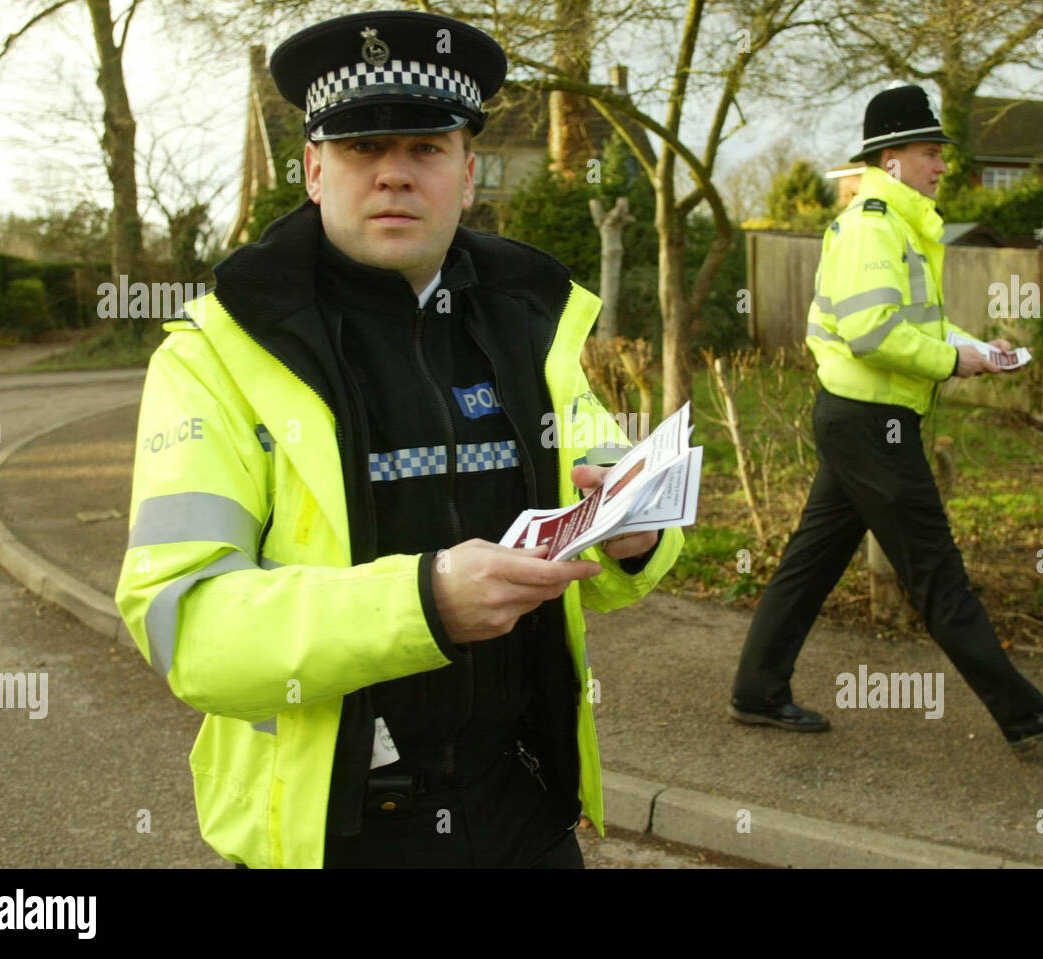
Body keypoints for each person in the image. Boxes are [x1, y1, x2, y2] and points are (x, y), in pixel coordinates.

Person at [114, 9, 682, 868]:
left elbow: (607, 540)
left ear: (469, 168)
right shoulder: (218, 353)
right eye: (360, 149)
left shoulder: (532, 323)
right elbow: (186, 626)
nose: (393, 176)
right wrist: (423, 604)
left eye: (424, 148)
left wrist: (635, 536)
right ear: (312, 170)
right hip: (336, 835)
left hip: (527, 818)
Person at [727, 85, 1043, 751]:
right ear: (890, 157)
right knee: (936, 571)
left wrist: (982, 350)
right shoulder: (875, 226)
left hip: (859, 421)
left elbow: (913, 325)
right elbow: (873, 333)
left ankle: (757, 689)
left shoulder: (894, 226)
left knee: (809, 564)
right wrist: (949, 364)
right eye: (931, 152)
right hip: (873, 425)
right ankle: (1023, 713)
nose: (941, 165)